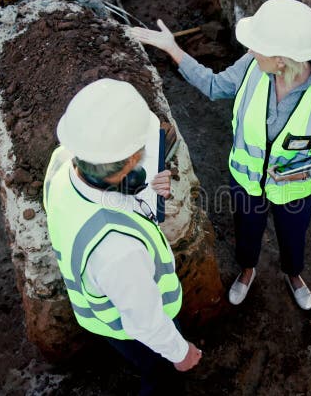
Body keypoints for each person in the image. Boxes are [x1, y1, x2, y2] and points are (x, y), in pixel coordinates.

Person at [131, 0, 311, 310]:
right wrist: (173, 48)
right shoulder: (251, 67)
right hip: (246, 183)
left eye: (257, 46)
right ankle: (247, 271)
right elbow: (212, 85)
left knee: (293, 237)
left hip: (295, 191)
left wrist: (310, 168)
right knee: (247, 232)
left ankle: (294, 275)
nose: (250, 50)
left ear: (281, 60)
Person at [42, 79, 202, 395]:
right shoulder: (118, 249)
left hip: (104, 312)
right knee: (161, 378)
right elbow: (146, 322)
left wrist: (141, 193)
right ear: (130, 162)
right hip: (137, 329)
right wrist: (180, 353)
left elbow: (103, 203)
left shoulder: (62, 164)